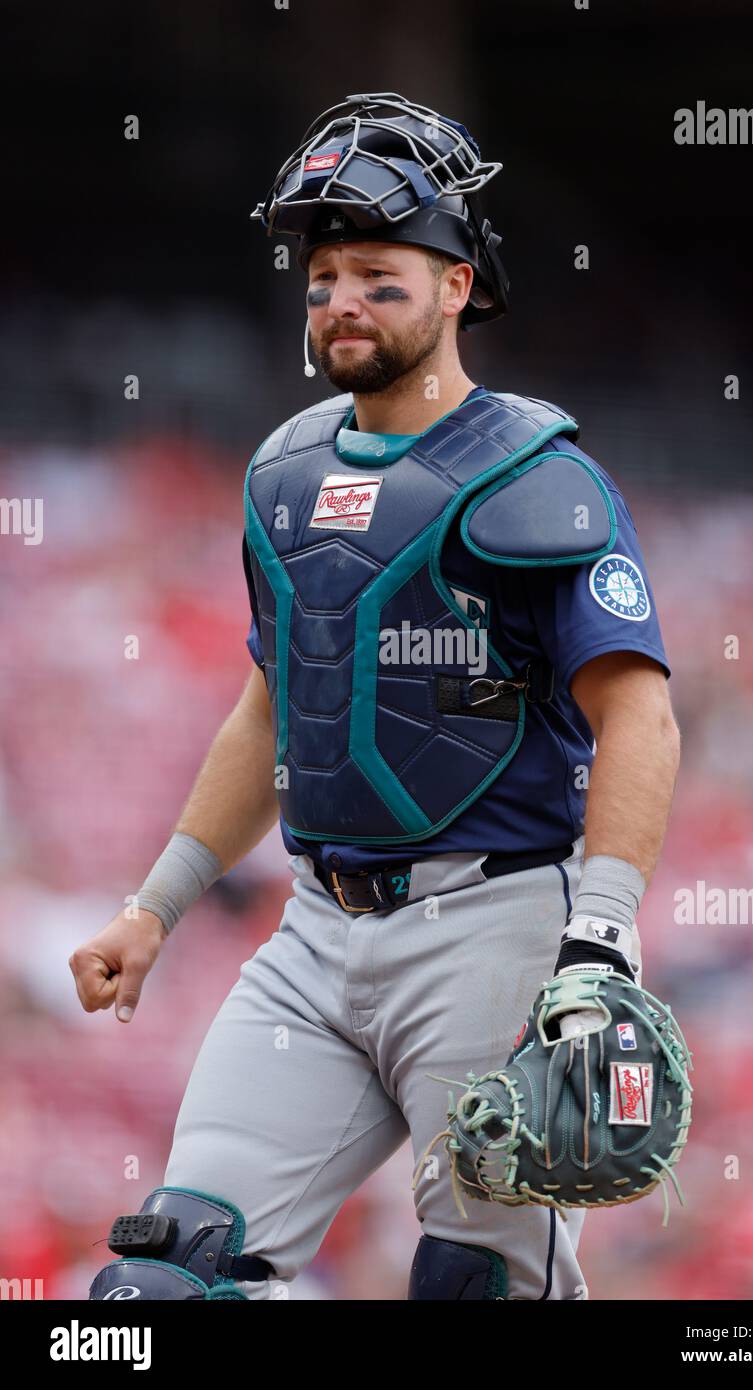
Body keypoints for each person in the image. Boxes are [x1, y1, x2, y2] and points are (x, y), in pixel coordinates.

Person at [73, 93, 680, 1301]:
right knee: (159, 1287)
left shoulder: (536, 476)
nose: (341, 299)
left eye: (379, 274)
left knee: (474, 1285)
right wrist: (155, 907)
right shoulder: (284, 472)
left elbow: (639, 714)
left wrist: (598, 940)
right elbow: (270, 710)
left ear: (457, 285)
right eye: (324, 275)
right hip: (311, 933)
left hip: (495, 930)